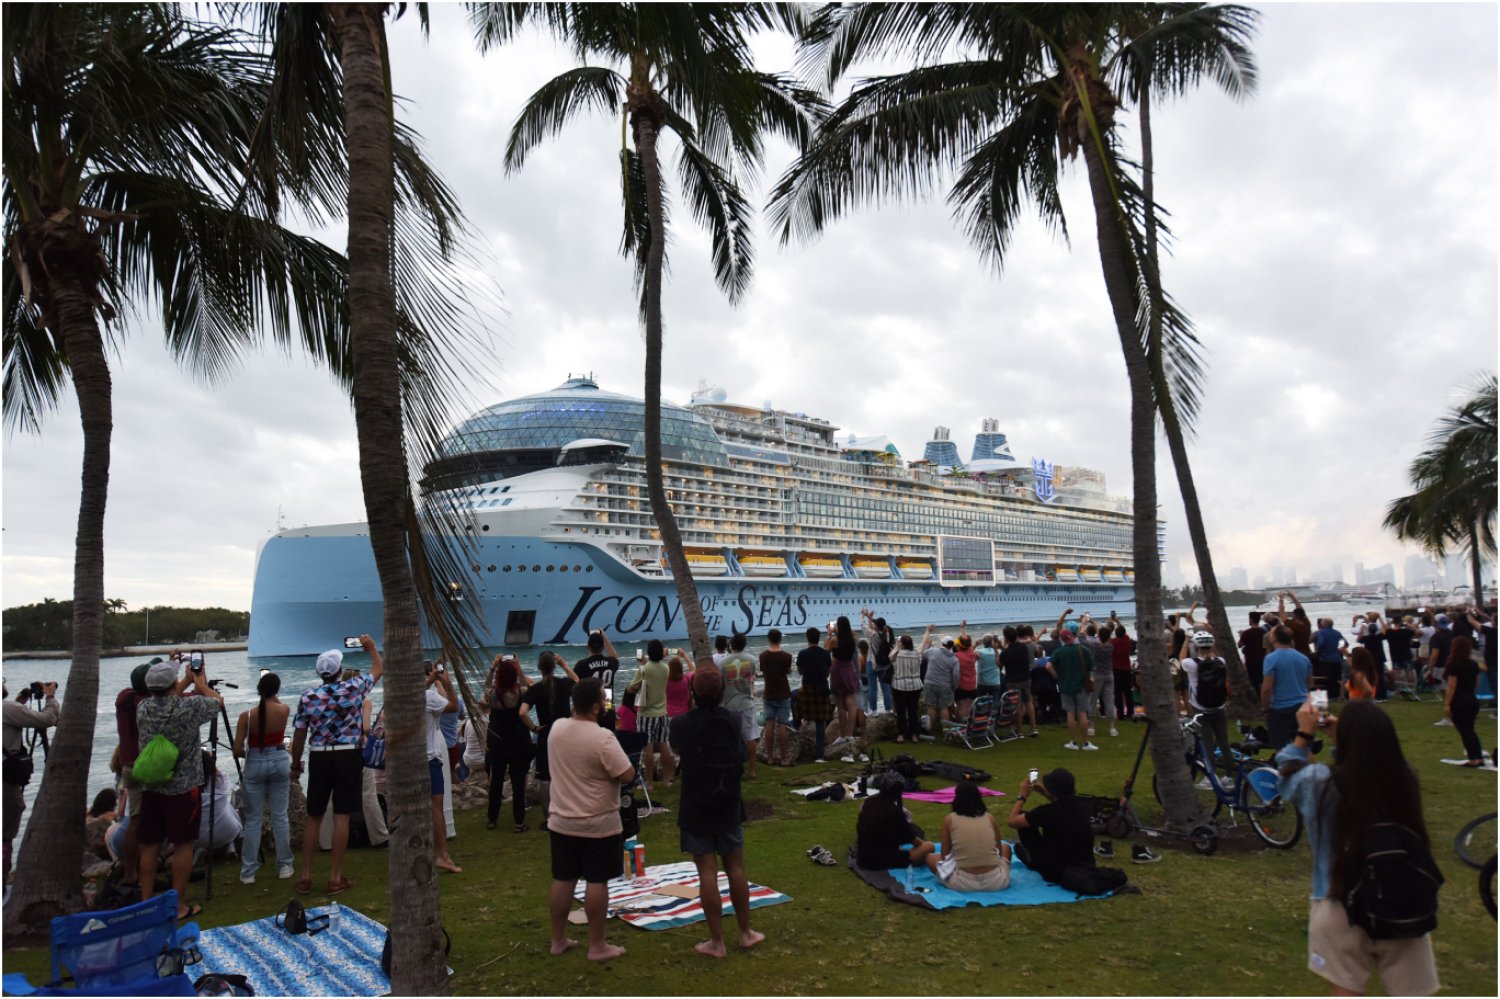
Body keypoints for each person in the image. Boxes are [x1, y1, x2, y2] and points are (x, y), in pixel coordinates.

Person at [1276, 699, 1440, 996]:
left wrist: (1305, 734)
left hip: (1338, 900)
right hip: (1402, 897)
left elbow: (1286, 778)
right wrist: (1349, 739)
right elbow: (1367, 769)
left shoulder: (1321, 784)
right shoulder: (1405, 779)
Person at [669, 665, 766, 958]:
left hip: (696, 803)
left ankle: (717, 941)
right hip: (728, 799)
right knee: (735, 867)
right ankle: (746, 932)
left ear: (693, 692)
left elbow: (676, 749)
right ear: (722, 691)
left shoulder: (681, 724)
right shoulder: (734, 720)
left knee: (707, 872)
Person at [546, 677, 635, 962]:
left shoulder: (557, 729)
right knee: (597, 881)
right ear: (596, 707)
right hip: (598, 821)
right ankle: (597, 945)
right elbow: (626, 773)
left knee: (564, 878)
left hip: (562, 819)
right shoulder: (602, 737)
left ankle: (558, 939)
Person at [290, 636, 382, 896]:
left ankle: (306, 876)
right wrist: (372, 648)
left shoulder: (307, 697)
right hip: (347, 755)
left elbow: (298, 734)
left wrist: (295, 764)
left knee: (314, 816)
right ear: (339, 671)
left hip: (319, 755)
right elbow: (378, 670)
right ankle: (334, 877)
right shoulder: (353, 688)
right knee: (341, 815)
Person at [135, 659, 222, 921]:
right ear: (172, 684)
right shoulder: (188, 706)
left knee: (149, 844)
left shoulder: (143, 708)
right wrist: (200, 684)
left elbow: (167, 697)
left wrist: (183, 682)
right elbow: (217, 702)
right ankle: (177, 906)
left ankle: (146, 902)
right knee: (184, 844)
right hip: (183, 787)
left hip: (152, 785)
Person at [232, 671, 294, 884]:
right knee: (280, 816)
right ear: (276, 690)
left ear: (258, 689)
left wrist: (251, 755)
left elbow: (237, 749)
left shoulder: (246, 716)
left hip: (255, 762)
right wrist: (271, 692)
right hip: (278, 759)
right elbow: (276, 703)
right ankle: (285, 865)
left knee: (253, 820)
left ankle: (248, 871)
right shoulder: (284, 710)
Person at [1006, 767, 1105, 883]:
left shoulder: (1047, 812)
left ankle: (1034, 860)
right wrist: (1043, 791)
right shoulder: (1082, 805)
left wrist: (1022, 796)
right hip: (1084, 863)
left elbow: (1012, 821)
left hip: (1055, 870)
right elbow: (1063, 802)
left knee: (1023, 819)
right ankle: (1033, 857)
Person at [2, 679, 60, 880]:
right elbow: (48, 719)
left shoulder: (9, 708)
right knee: (6, 833)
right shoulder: (7, 708)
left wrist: (20, 704)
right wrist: (51, 697)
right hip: (6, 784)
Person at [925, 780, 1010, 892]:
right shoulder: (990, 817)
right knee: (1006, 847)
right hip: (996, 881)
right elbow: (999, 850)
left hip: (962, 883)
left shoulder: (949, 819)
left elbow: (945, 857)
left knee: (930, 857)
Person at [486, 656, 539, 831]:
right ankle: (519, 822)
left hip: (498, 743)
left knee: (496, 782)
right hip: (518, 743)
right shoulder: (521, 694)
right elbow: (531, 689)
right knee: (518, 783)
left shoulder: (493, 695)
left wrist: (493, 668)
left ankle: (492, 819)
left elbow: (486, 688)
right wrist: (519, 668)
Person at [112, 662, 153, 883]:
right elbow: (170, 696)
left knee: (135, 819)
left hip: (128, 766)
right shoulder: (148, 705)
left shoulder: (124, 698)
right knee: (147, 823)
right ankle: (143, 873)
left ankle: (131, 872)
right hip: (148, 768)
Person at [420, 663, 463, 873]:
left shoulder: (397, 697)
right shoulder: (429, 698)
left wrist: (431, 679)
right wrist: (445, 681)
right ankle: (442, 855)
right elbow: (454, 706)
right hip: (429, 755)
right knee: (436, 807)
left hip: (405, 760)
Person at [527, 651, 580, 818]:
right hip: (565, 733)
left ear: (539, 668)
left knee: (544, 778)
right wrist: (564, 664)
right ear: (554, 666)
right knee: (568, 773)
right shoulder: (564, 684)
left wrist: (534, 727)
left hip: (545, 735)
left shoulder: (536, 689)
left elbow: (522, 712)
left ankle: (548, 815)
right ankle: (569, 809)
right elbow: (578, 682)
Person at [855, 771, 934, 869]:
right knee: (929, 846)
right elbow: (915, 842)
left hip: (862, 857)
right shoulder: (894, 812)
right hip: (880, 861)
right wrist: (923, 846)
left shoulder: (868, 802)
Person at [627, 641, 675, 791]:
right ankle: (667, 779)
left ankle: (649, 783)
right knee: (663, 744)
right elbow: (655, 669)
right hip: (662, 712)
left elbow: (632, 688)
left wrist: (642, 665)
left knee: (647, 746)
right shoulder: (666, 668)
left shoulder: (643, 670)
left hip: (646, 713)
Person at [1180, 630, 1231, 772]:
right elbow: (1216, 656)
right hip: (1220, 706)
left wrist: (1186, 641)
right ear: (1212, 647)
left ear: (1196, 648)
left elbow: (1180, 659)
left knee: (1207, 741)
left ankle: (1211, 774)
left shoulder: (1192, 664)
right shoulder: (1221, 662)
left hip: (1201, 708)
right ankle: (1228, 774)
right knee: (1223, 742)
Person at [1048, 615, 1097, 751]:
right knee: (1082, 714)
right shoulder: (1083, 650)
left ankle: (1073, 742)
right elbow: (1093, 668)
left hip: (1065, 686)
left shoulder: (1059, 652)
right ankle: (1086, 743)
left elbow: (1048, 666)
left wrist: (1057, 677)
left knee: (1070, 713)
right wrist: (1091, 679)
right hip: (1081, 685)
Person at [1262, 624, 1311, 749]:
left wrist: (1265, 707)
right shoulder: (1304, 658)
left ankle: (1286, 767)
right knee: (1303, 745)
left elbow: (1267, 687)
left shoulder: (1271, 659)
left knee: (1281, 748)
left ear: (1274, 638)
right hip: (1301, 705)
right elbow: (1309, 684)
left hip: (1280, 708)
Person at [719, 633, 759, 779]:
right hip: (747, 702)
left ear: (731, 645)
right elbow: (752, 679)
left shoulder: (723, 663)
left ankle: (735, 768)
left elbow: (721, 684)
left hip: (729, 704)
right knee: (751, 737)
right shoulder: (752, 660)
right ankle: (753, 770)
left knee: (731, 739)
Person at [1443, 637, 1485, 766]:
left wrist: (1447, 703)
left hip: (1459, 701)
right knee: (1470, 729)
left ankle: (1474, 758)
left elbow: (1452, 685)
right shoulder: (1473, 664)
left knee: (1465, 731)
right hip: (1471, 699)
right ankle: (1477, 755)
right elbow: (1476, 683)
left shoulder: (1453, 664)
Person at [795, 628, 834, 762]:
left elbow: (800, 671)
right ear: (818, 638)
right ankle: (820, 754)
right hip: (822, 688)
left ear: (807, 638)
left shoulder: (802, 653)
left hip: (807, 688)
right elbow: (829, 671)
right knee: (820, 722)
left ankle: (796, 748)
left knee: (800, 715)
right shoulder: (825, 653)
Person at [826, 616, 863, 755]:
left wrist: (830, 634)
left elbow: (826, 651)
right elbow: (858, 641)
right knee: (852, 703)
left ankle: (842, 735)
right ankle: (850, 734)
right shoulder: (853, 640)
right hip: (849, 669)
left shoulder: (835, 640)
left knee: (840, 705)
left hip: (837, 670)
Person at [758, 629, 795, 764]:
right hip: (783, 693)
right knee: (782, 725)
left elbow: (764, 671)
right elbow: (787, 671)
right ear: (780, 639)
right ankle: (784, 757)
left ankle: (770, 757)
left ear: (769, 639)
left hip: (769, 693)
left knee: (769, 724)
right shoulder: (787, 656)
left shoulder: (763, 656)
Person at [575, 630, 621, 728]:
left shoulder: (581, 665)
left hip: (590, 709)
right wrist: (604, 637)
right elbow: (615, 656)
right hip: (607, 704)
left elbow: (576, 686)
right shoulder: (611, 662)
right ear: (603, 647)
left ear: (588, 647)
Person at [920, 626, 959, 735]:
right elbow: (956, 675)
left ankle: (928, 729)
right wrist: (954, 686)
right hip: (945, 685)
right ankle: (946, 731)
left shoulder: (933, 651)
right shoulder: (954, 659)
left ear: (942, 644)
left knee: (931, 707)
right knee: (944, 708)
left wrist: (927, 645)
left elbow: (922, 655)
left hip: (929, 683)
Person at [1000, 626, 1038, 738]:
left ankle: (1019, 731)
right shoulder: (1023, 648)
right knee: (1029, 702)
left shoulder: (1006, 652)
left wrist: (997, 650)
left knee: (1017, 705)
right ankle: (1034, 728)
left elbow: (999, 663)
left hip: (1013, 680)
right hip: (1025, 678)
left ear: (1006, 638)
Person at [1082, 623, 1117, 738]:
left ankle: (1092, 726)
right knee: (1109, 701)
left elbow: (1082, 638)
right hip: (1109, 674)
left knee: (1093, 699)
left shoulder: (1095, 645)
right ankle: (1112, 728)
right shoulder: (1110, 646)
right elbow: (1103, 635)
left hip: (1097, 675)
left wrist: (1083, 622)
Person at [889, 635, 924, 744]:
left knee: (901, 711)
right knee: (913, 710)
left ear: (902, 644)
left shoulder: (897, 654)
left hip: (900, 685)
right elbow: (920, 662)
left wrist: (896, 646)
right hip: (915, 685)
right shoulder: (917, 653)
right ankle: (914, 734)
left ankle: (901, 734)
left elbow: (889, 657)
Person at [860, 609, 895, 713]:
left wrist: (863, 617)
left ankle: (874, 710)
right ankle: (888, 709)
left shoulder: (873, 635)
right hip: (884, 663)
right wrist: (870, 618)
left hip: (872, 662)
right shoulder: (887, 633)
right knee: (886, 687)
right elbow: (876, 626)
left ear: (876, 626)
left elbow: (864, 626)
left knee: (872, 687)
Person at [1312, 618, 1347, 702]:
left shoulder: (1322, 632)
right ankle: (1338, 695)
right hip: (1337, 659)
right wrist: (1338, 649)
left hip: (1326, 658)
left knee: (1327, 678)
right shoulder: (1337, 633)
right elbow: (1345, 643)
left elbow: (1320, 644)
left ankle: (1330, 695)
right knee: (1338, 678)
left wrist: (1320, 652)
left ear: (1323, 624)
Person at [951, 624, 979, 721]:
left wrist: (962, 628)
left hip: (961, 686)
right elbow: (967, 643)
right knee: (970, 708)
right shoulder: (971, 652)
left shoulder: (956, 656)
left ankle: (961, 726)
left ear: (958, 646)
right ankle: (970, 726)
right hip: (972, 685)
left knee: (961, 708)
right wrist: (963, 628)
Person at [1110, 625, 1136, 723]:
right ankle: (1130, 712)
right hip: (1126, 669)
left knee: (1118, 693)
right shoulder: (1126, 640)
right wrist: (1116, 620)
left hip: (1116, 669)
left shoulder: (1113, 642)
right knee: (1128, 692)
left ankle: (1120, 714)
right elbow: (1124, 634)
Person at [1238, 611, 1268, 690]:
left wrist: (1241, 636)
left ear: (1251, 620)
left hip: (1250, 661)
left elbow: (1239, 645)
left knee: (1253, 681)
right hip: (1263, 660)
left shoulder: (1246, 633)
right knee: (1262, 680)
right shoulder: (1264, 632)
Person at [664, 656, 696, 721]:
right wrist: (684, 655)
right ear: (681, 668)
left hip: (668, 715)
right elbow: (693, 670)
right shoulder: (686, 679)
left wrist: (663, 655)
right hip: (684, 715)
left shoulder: (665, 682)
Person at [975, 633, 1004, 704]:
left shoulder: (978, 652)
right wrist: (998, 644)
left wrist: (975, 645)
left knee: (981, 702)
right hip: (995, 682)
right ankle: (994, 713)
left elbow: (969, 655)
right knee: (995, 701)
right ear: (992, 643)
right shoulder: (998, 652)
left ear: (983, 643)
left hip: (982, 682)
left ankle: (983, 714)